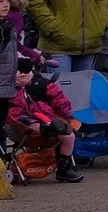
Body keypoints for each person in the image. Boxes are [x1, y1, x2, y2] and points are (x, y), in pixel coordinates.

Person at [4, 51, 84, 183]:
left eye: (26, 70)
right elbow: (11, 113)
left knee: (69, 136)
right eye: (17, 71)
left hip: (45, 119)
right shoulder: (8, 90)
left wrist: (67, 114)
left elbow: (59, 98)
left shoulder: (41, 83)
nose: (22, 73)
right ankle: (49, 128)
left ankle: (64, 169)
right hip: (20, 127)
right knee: (27, 120)